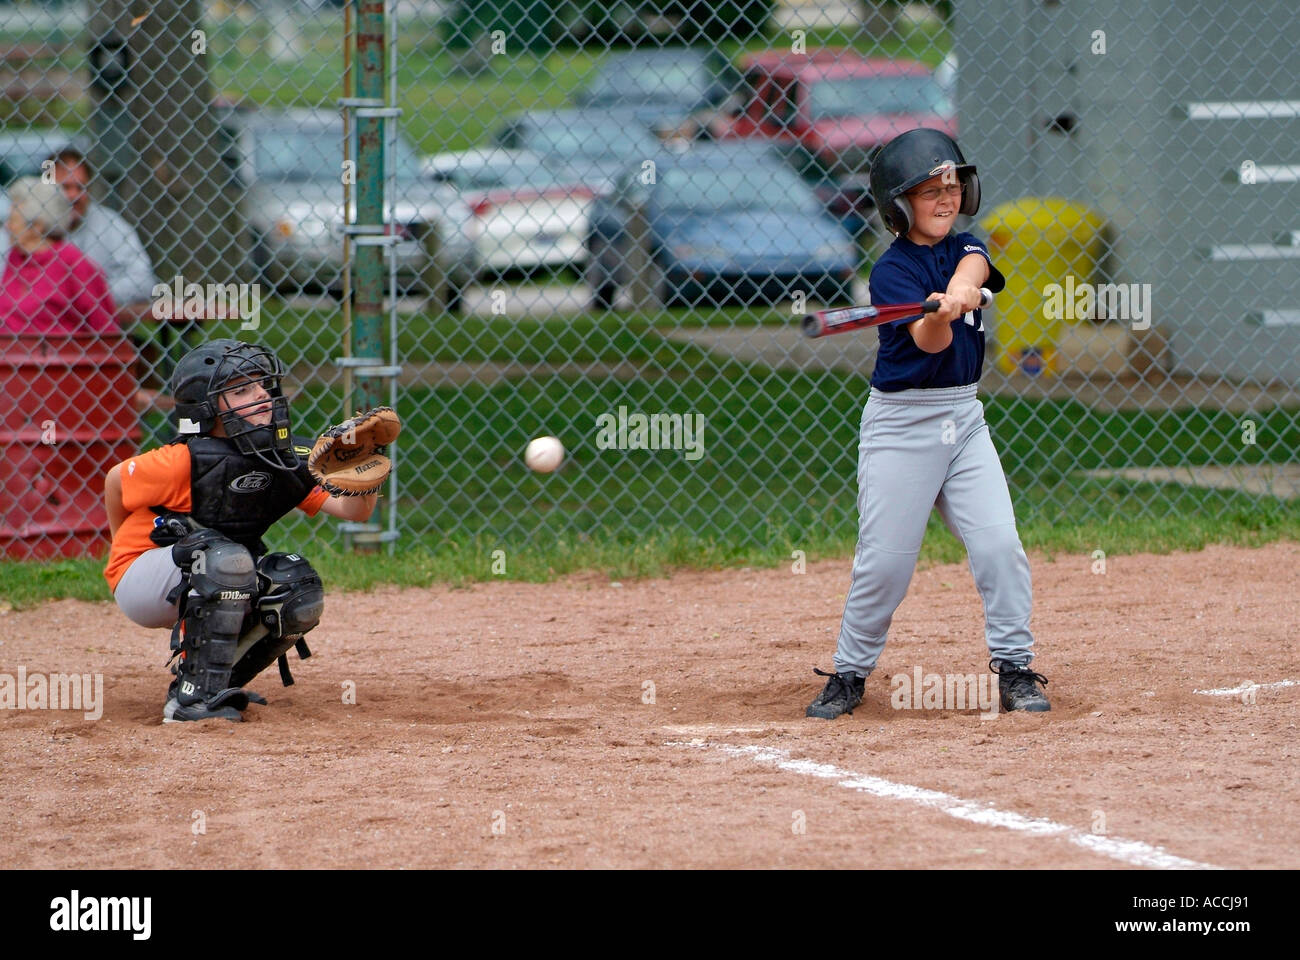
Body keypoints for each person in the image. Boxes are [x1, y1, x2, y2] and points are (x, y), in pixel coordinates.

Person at [805, 128, 1051, 719]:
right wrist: (939, 313)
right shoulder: (892, 276)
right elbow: (929, 339)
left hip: (963, 421)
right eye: (927, 191)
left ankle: (1015, 668)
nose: (944, 198)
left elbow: (975, 267)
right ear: (898, 205)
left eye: (951, 186)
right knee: (886, 563)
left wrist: (960, 292)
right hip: (902, 427)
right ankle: (849, 672)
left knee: (999, 546)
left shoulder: (967, 245)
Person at [102, 339, 378, 723]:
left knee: (297, 588)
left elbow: (354, 511)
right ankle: (189, 705)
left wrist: (364, 469)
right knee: (226, 559)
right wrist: (122, 548)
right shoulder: (181, 460)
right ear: (205, 405)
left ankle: (207, 684)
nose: (262, 395)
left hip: (215, 571)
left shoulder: (282, 457)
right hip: (144, 577)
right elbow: (116, 481)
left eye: (262, 384)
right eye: (241, 390)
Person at [0, 177, 118, 334]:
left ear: (37, 226)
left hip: (60, 355)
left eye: (13, 219)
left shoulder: (73, 263)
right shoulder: (16, 258)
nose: (7, 226)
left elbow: (105, 328)